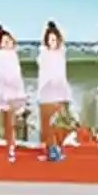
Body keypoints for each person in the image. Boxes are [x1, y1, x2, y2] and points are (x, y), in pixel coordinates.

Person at [36, 21, 72, 162]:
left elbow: (63, 47)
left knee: (61, 123)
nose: (53, 42)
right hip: (47, 93)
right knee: (48, 124)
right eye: (50, 40)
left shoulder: (61, 53)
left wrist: (54, 28)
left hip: (60, 92)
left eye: (55, 39)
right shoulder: (43, 54)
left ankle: (58, 147)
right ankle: (51, 149)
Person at [0, 24, 27, 163]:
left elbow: (16, 75)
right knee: (7, 121)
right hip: (3, 90)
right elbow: (0, 73)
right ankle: (9, 144)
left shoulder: (14, 56)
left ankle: (11, 145)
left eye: (9, 41)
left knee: (12, 121)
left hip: (14, 90)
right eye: (4, 41)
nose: (7, 43)